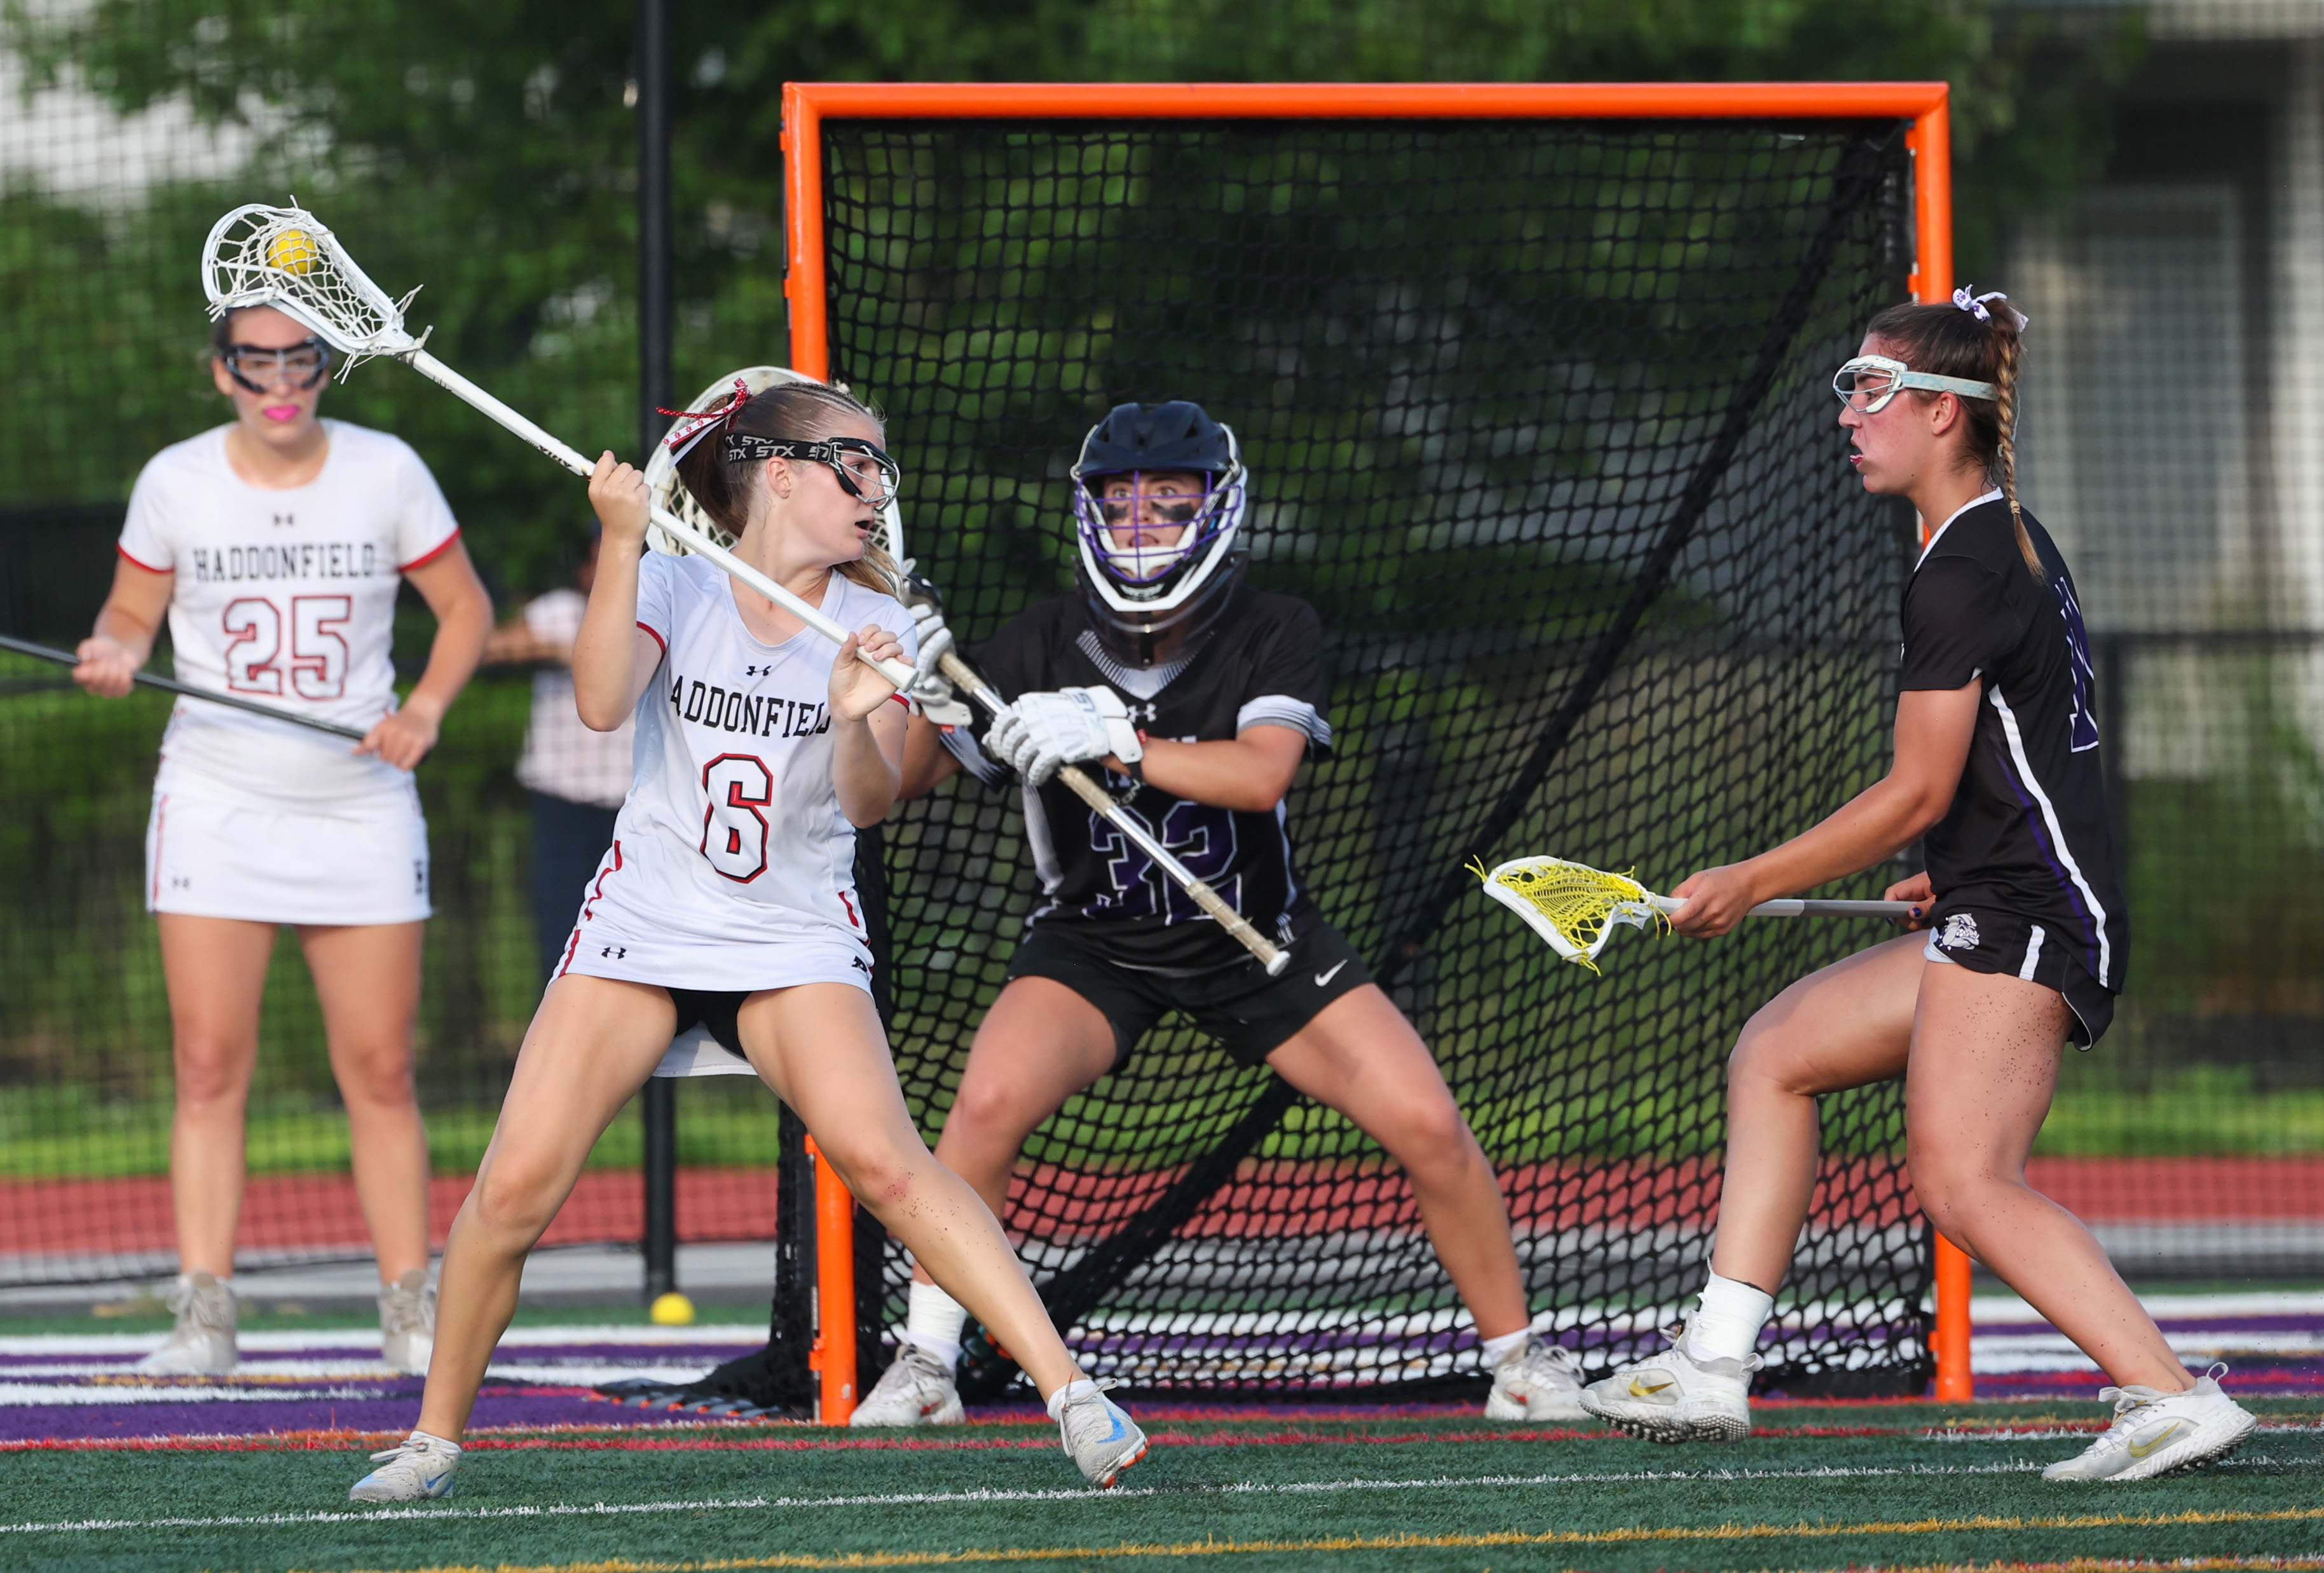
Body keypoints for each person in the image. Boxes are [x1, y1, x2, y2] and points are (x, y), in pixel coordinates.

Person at [348, 379, 1147, 1502]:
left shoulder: (881, 620)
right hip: (650, 917)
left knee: (886, 1162)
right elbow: (597, 704)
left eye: (880, 468)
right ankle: (432, 1436)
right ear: (778, 473)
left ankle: (1072, 1392)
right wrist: (623, 544)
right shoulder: (675, 574)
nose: (879, 490)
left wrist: (854, 700)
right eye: (855, 466)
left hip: (791, 931)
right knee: (515, 1185)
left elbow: (868, 803)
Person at [1576, 289, 2257, 1481]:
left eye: (1873, 390)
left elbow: (1912, 790)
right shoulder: (1992, 541)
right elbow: (2014, 764)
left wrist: (1749, 877)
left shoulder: (1967, 567)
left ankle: (2163, 1390)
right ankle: (1712, 1362)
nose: (1851, 415)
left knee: (1958, 1175)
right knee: (1777, 1045)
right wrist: (1946, 872)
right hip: (1993, 897)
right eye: (1851, 388)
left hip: (2030, 919)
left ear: (1946, 413)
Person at [851, 401, 1583, 1429]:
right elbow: (902, 781)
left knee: (1428, 1122)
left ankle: (1515, 1358)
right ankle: (927, 1360)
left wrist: (1112, 740)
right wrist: (916, 690)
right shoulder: (1035, 641)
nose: (1141, 520)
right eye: (1121, 502)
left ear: (1215, 508)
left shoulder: (1272, 627)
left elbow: (1258, 771)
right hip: (1094, 940)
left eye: (1167, 501)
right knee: (982, 1107)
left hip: (1258, 937)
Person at [72, 303, 493, 1377]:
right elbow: (130, 613)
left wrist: (426, 711)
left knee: (381, 1067)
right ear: (221, 372)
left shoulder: (387, 469)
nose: (277, 380)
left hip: (358, 800)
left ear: (321, 368)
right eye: (254, 360)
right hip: (216, 800)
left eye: (297, 359)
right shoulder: (175, 479)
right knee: (208, 1063)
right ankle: (203, 1311)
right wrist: (114, 647)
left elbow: (465, 613)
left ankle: (410, 1307)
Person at [483, 528, 635, 981]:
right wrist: (579, 654)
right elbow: (492, 647)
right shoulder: (563, 613)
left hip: (632, 807)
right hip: (564, 803)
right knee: (561, 929)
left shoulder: (656, 613)